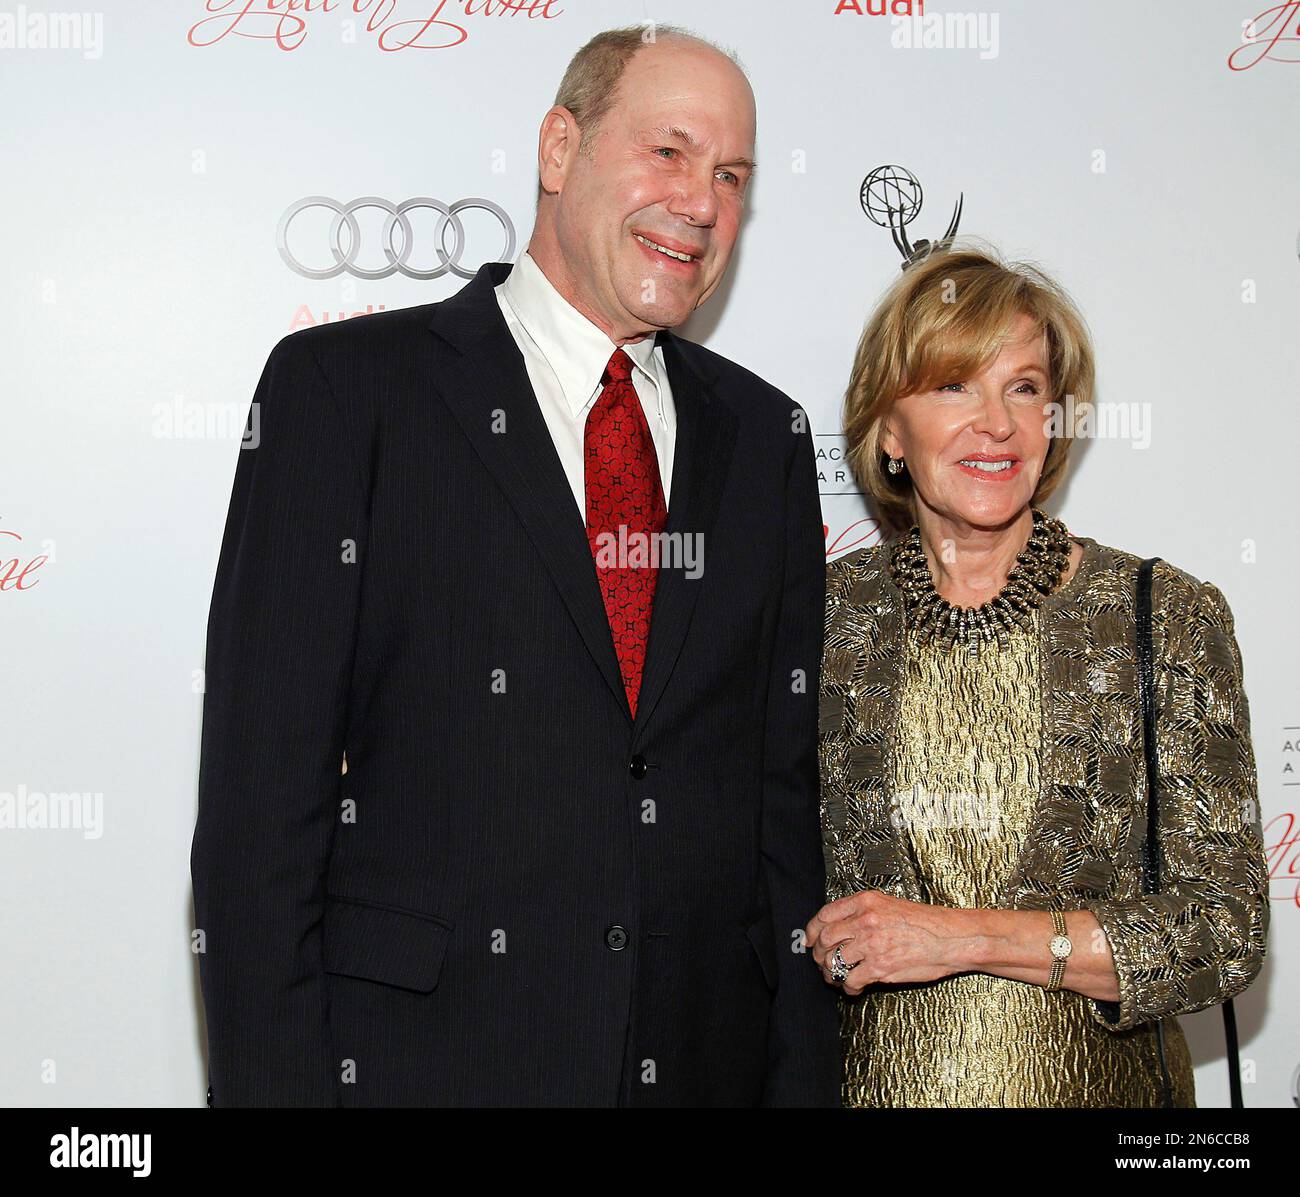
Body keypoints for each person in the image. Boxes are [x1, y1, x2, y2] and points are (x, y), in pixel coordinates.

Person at [191, 24, 840, 1107]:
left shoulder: (763, 438)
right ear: (557, 149)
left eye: (731, 176)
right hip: (415, 1071)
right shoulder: (346, 395)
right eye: (668, 152)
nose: (700, 202)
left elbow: (779, 816)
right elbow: (263, 808)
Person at [807, 244, 1270, 1107]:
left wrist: (964, 937)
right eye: (955, 385)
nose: (998, 423)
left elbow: (1227, 930)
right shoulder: (818, 620)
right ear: (888, 430)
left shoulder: (1161, 614)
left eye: (1024, 387)